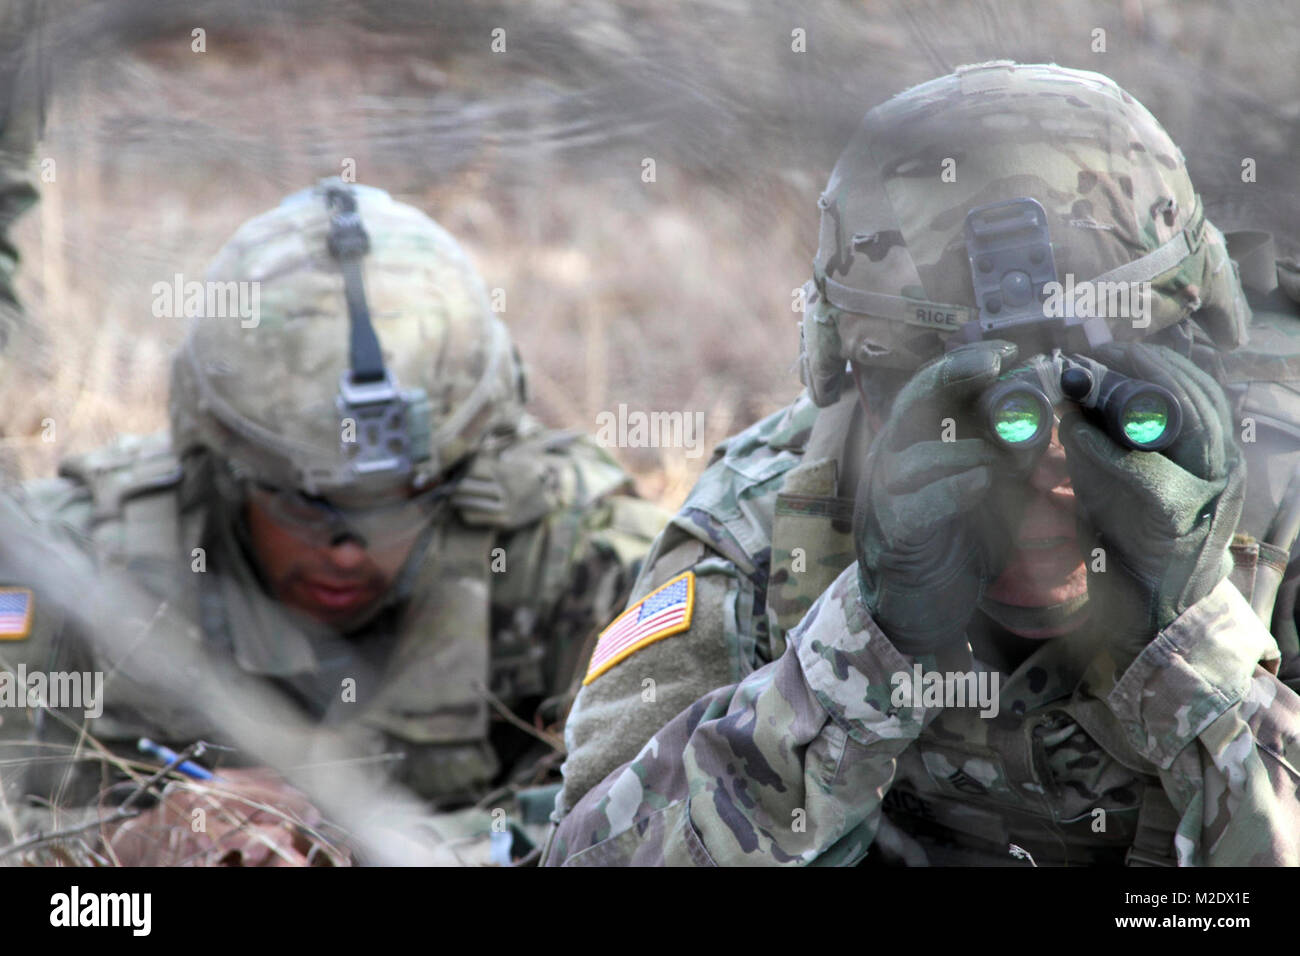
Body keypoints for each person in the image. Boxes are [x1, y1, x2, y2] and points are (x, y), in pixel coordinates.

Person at [543, 61, 1300, 866]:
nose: (1044, 462)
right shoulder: (762, 534)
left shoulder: (1284, 498)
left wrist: (1197, 655)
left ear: (1197, 352)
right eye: (961, 409)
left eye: (1096, 392)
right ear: (857, 394)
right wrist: (862, 652)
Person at [12, 178, 666, 863]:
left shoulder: (572, 551)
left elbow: (677, 799)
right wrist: (125, 845)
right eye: (304, 501)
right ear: (225, 465)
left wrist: (381, 847)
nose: (351, 550)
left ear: (467, 459)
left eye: (404, 498)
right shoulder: (64, 565)